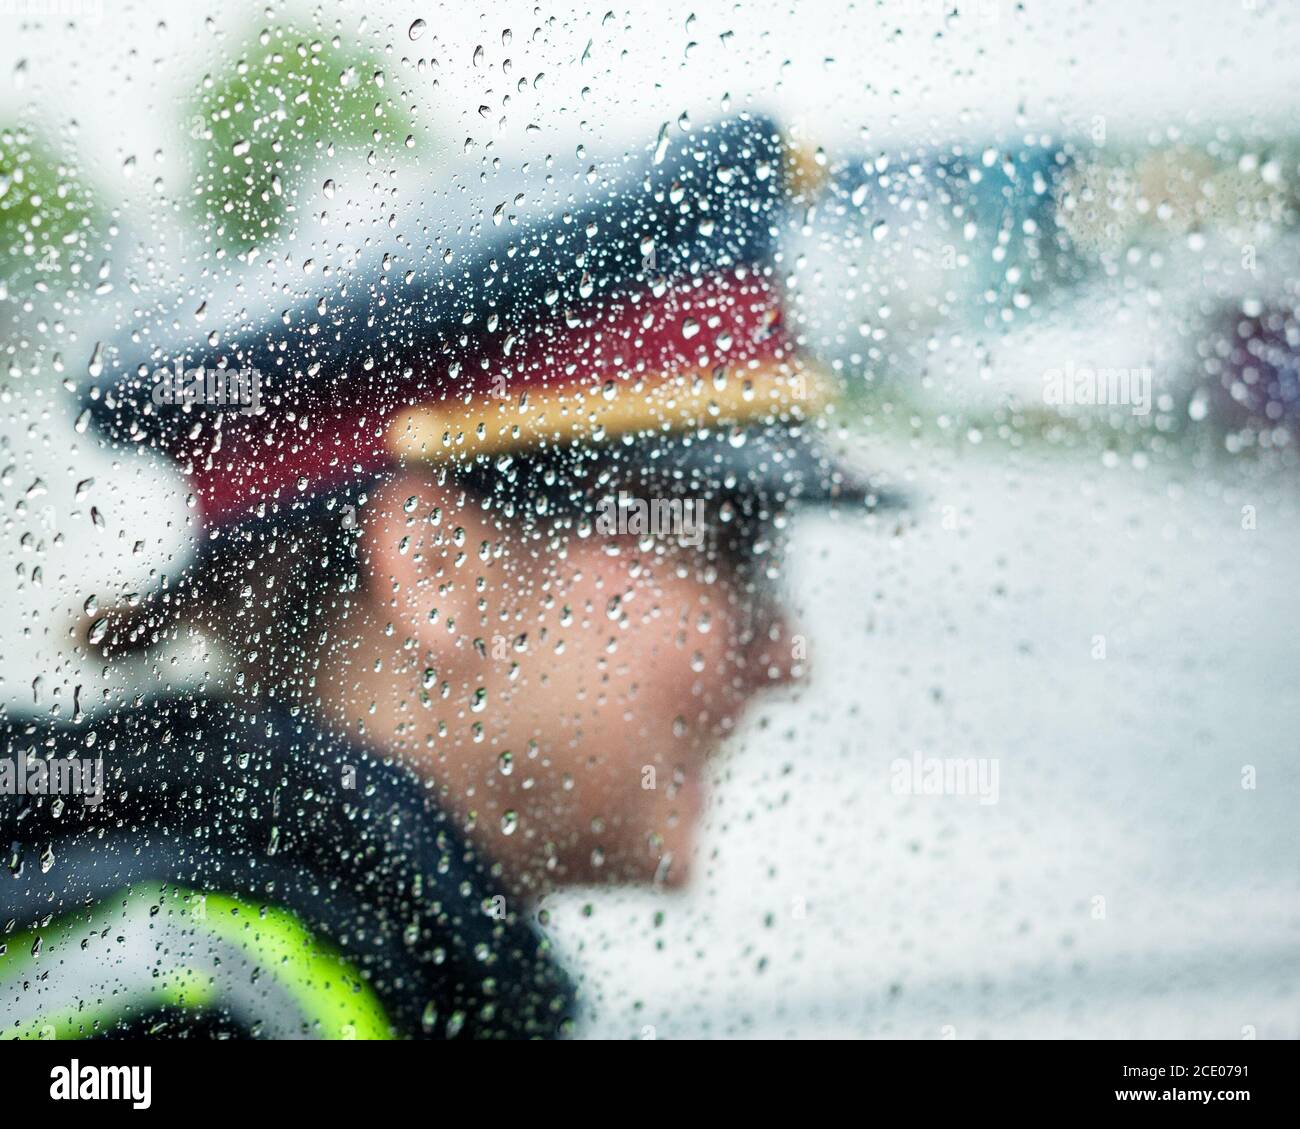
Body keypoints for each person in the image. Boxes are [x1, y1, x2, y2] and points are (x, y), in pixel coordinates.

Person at [0, 115, 891, 1039]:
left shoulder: (309, 942)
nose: (788, 655)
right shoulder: (197, 1012)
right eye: (729, 550)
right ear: (438, 566)